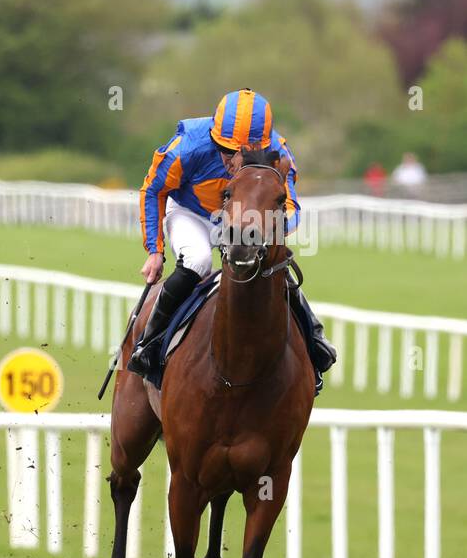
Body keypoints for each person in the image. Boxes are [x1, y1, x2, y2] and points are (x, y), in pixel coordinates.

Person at [128, 88, 336, 389]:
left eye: (242, 153)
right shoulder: (186, 148)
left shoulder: (278, 155)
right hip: (191, 213)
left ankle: (314, 342)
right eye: (226, 150)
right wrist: (155, 250)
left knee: (275, 266)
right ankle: (148, 344)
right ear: (215, 138)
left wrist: (266, 230)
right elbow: (152, 190)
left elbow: (290, 207)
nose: (233, 159)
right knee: (198, 260)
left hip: (243, 220)